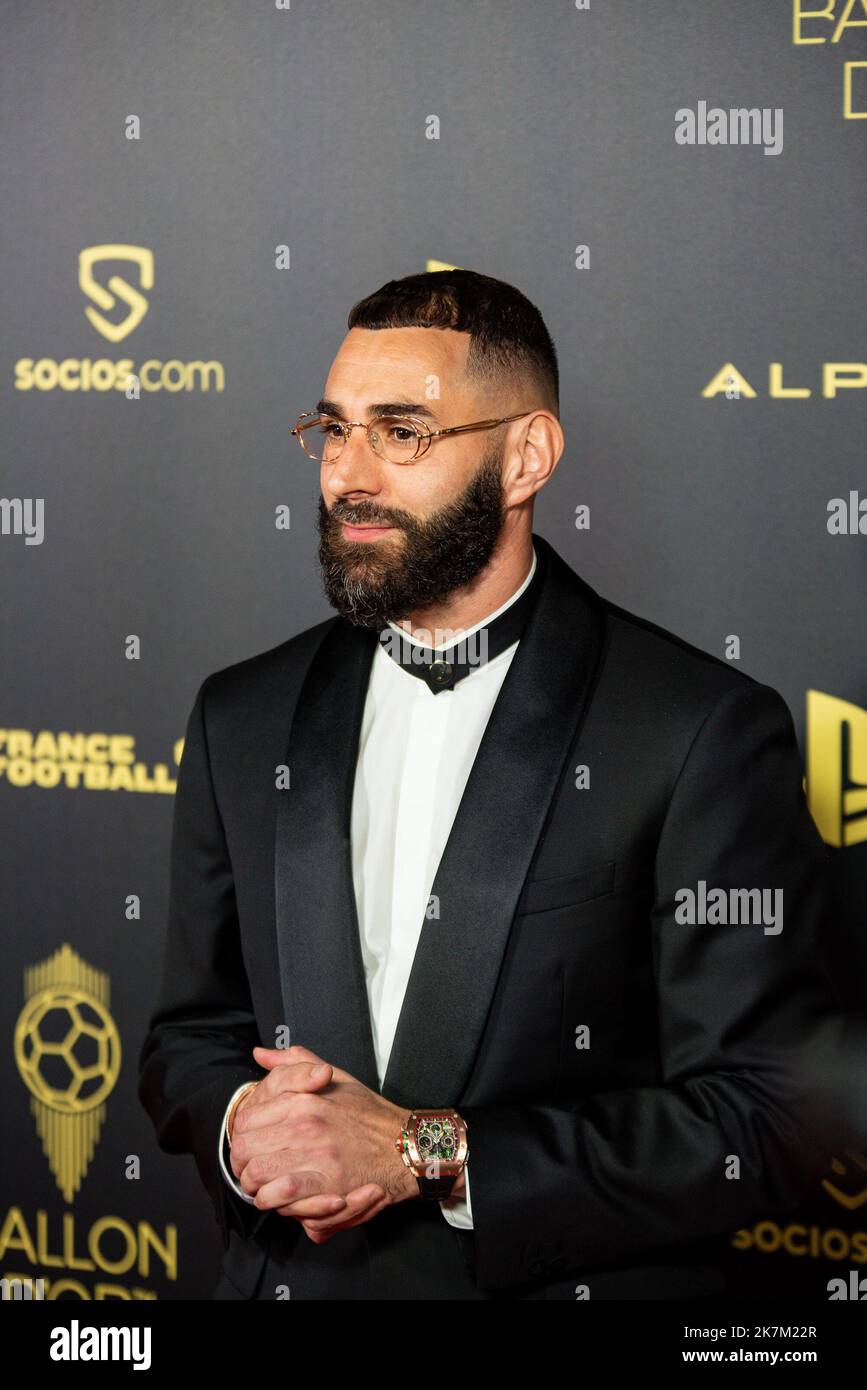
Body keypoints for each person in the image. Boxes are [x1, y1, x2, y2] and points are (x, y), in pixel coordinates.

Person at [138, 268, 844, 1300]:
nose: (347, 474)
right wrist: (251, 1125)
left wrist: (431, 1153)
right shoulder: (240, 715)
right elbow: (185, 1040)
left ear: (527, 457)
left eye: (402, 431)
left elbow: (771, 1120)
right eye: (332, 430)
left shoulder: (696, 731)